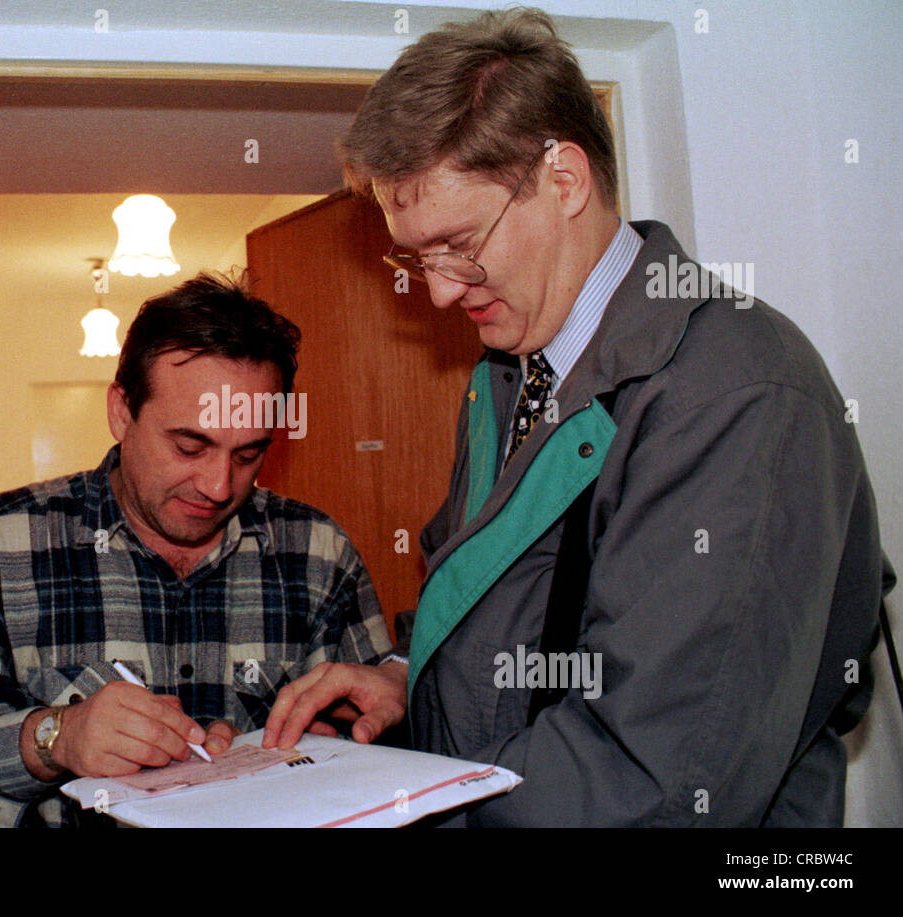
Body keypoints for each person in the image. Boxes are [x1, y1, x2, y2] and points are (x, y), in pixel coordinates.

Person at [262, 8, 892, 826]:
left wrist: (402, 812)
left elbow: (659, 775)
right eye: (418, 258)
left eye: (458, 243)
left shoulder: (736, 391)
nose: (443, 290)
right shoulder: (508, 374)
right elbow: (507, 607)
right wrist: (405, 669)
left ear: (564, 179)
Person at [0, 272, 393, 827]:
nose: (218, 486)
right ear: (121, 411)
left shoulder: (319, 555)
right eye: (190, 445)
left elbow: (385, 749)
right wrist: (54, 738)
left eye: (248, 455)